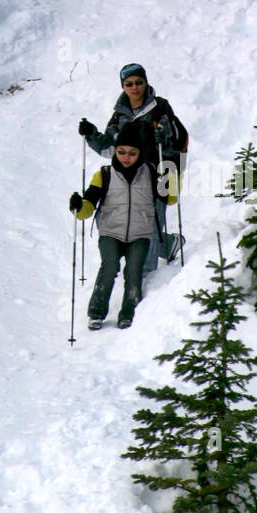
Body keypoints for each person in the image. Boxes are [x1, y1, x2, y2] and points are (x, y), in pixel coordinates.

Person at [78, 62, 188, 271]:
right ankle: (168, 245)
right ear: (123, 86)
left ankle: (145, 283)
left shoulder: (160, 107)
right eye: (129, 84)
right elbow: (109, 149)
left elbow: (174, 139)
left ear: (146, 82)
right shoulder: (119, 115)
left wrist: (162, 138)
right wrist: (91, 134)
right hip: (127, 178)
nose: (135, 87)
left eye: (139, 82)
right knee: (111, 222)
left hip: (157, 175)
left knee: (149, 228)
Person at [69, 122, 177, 329]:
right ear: (116, 151)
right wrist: (77, 206)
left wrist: (169, 179)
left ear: (140, 153)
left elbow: (170, 199)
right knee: (109, 266)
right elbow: (88, 207)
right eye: (121, 152)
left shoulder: (151, 173)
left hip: (140, 234)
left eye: (132, 153)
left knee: (134, 271)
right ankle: (96, 311)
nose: (126, 157)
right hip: (111, 232)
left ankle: (130, 311)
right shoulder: (104, 174)